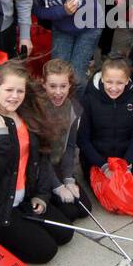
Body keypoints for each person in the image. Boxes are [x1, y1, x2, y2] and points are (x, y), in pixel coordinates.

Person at [0, 61, 67, 264]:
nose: (15, 96)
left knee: (65, 234)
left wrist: (41, 195)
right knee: (46, 251)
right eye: (9, 90)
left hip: (24, 198)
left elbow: (39, 159)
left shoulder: (24, 114)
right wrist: (1, 139)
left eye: (20, 91)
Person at [77, 55, 133, 185]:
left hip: (122, 161)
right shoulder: (89, 99)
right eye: (109, 82)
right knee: (111, 195)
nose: (114, 88)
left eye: (119, 83)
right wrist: (103, 166)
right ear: (102, 79)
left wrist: (127, 163)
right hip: (96, 161)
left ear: (127, 80)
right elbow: (82, 139)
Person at [40, 59, 84, 222]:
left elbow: (70, 146)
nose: (58, 92)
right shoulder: (37, 110)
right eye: (52, 86)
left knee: (83, 208)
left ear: (70, 85)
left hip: (57, 165)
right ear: (43, 84)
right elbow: (39, 155)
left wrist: (68, 178)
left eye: (63, 86)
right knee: (70, 212)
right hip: (40, 169)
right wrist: (57, 187)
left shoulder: (73, 108)